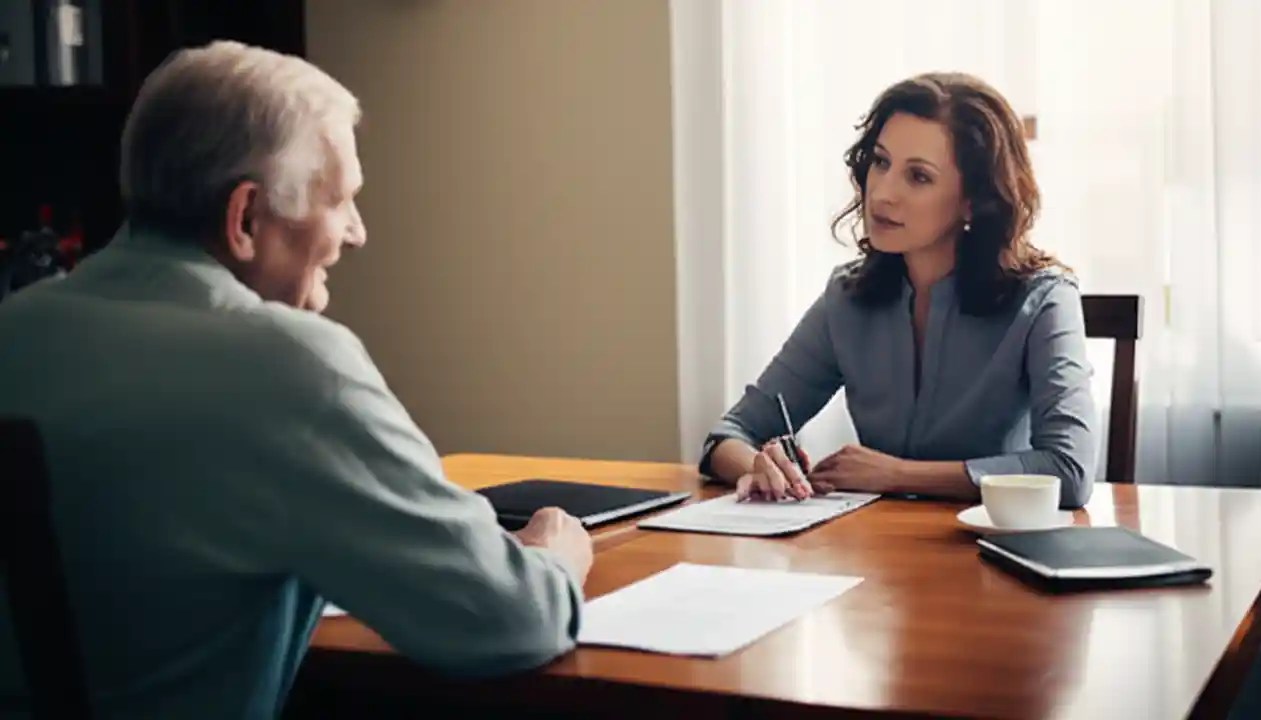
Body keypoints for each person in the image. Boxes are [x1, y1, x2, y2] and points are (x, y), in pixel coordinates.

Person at [0, 41, 591, 718]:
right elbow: (511, 621)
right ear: (246, 218)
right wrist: (554, 557)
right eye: (342, 201)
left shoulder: (15, 328)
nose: (357, 233)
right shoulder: (287, 364)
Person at [701, 72, 1098, 509]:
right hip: (881, 542)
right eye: (880, 162)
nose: (883, 193)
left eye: (919, 176)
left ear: (973, 199)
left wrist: (897, 475)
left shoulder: (1045, 301)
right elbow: (729, 434)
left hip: (994, 543)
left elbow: (1069, 471)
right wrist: (761, 467)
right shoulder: (847, 297)